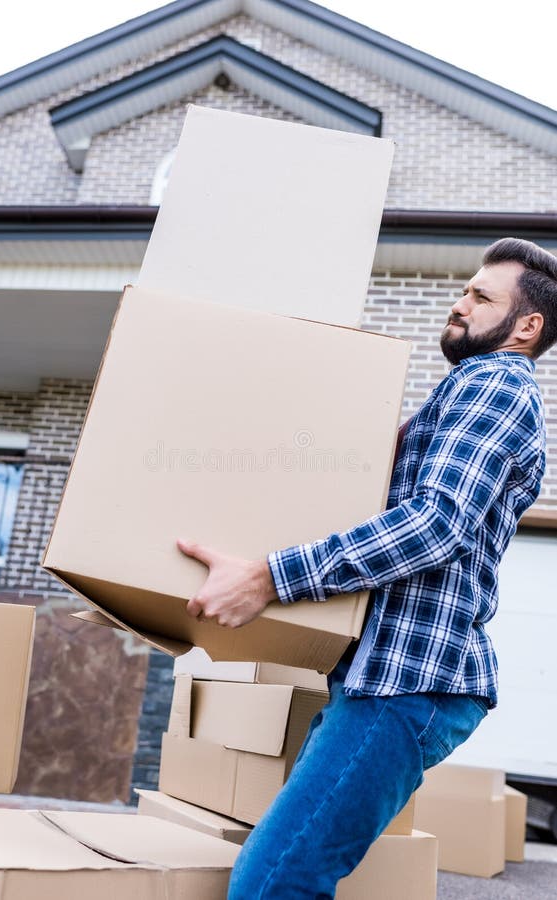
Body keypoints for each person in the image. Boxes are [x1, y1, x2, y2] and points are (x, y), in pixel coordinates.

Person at [177, 237, 557, 900]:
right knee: (284, 875)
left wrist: (268, 577)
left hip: (407, 683)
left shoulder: (494, 385)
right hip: (383, 680)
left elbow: (434, 525)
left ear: (527, 326)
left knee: (274, 884)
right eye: (464, 290)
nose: (458, 302)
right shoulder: (465, 391)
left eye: (479, 295)